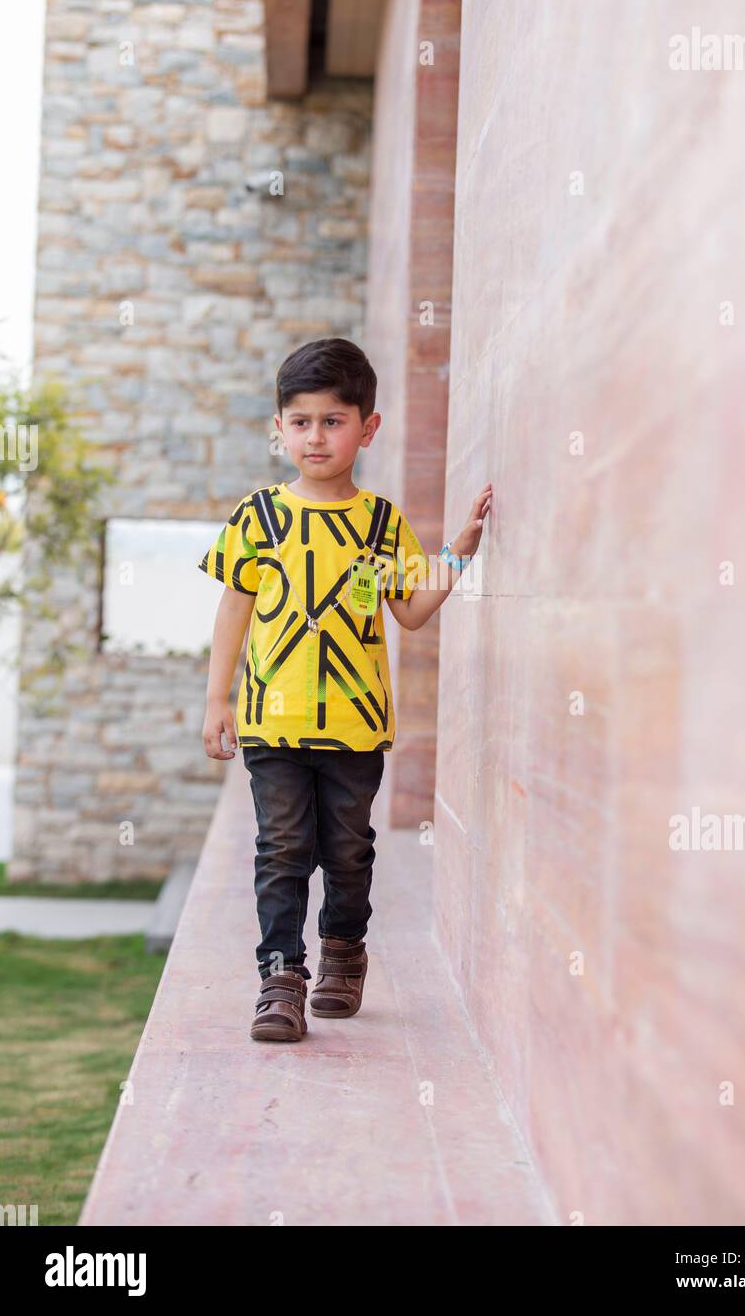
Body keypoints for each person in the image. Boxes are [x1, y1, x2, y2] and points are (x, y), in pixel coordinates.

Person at [196, 337, 491, 1042]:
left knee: (348, 851)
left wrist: (457, 553)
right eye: (300, 422)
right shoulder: (259, 518)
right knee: (282, 850)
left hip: (355, 729)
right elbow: (233, 608)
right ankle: (280, 976)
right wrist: (218, 700)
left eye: (333, 420)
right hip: (273, 726)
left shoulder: (381, 524)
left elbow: (411, 612)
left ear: (369, 427)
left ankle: (342, 953)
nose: (316, 436)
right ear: (279, 429)